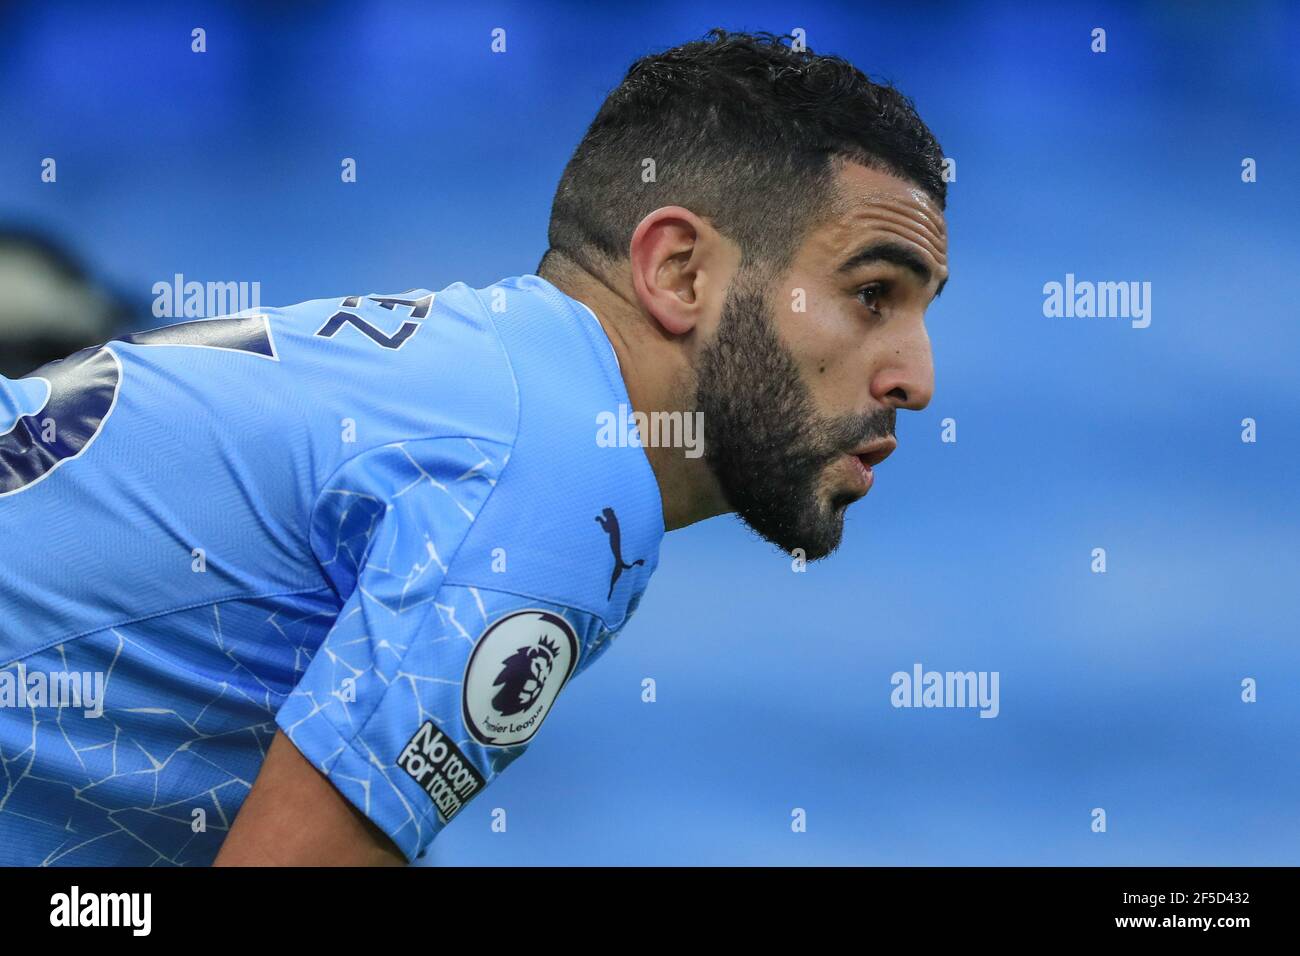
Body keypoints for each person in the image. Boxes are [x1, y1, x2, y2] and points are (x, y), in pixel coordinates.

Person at [0, 29, 948, 866]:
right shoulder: (561, 482)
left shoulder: (496, 380)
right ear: (678, 271)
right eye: (872, 294)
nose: (917, 377)